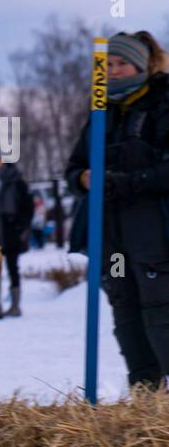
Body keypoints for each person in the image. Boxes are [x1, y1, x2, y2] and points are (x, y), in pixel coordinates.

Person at [65, 30, 169, 388]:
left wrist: (126, 181)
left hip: (156, 232)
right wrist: (83, 179)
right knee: (125, 312)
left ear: (141, 64)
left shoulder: (162, 104)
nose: (113, 70)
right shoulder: (101, 112)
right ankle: (146, 399)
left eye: (122, 63)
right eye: (107, 64)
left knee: (160, 312)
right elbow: (73, 168)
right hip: (110, 232)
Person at [0, 155, 31, 318]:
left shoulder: (15, 181)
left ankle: (15, 305)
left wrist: (20, 227)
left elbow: (27, 207)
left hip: (10, 231)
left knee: (12, 266)